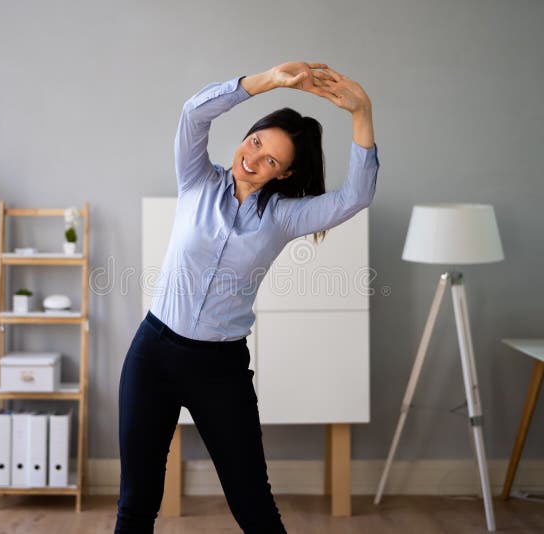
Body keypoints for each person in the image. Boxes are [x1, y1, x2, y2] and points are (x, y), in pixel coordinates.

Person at [116, 61, 379, 533]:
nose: (253, 160)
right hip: (152, 353)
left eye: (271, 160)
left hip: (219, 370)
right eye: (255, 142)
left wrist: (362, 113)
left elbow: (354, 198)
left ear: (285, 173)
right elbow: (194, 114)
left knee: (253, 504)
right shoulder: (197, 180)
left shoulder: (282, 218)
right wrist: (267, 81)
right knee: (137, 501)